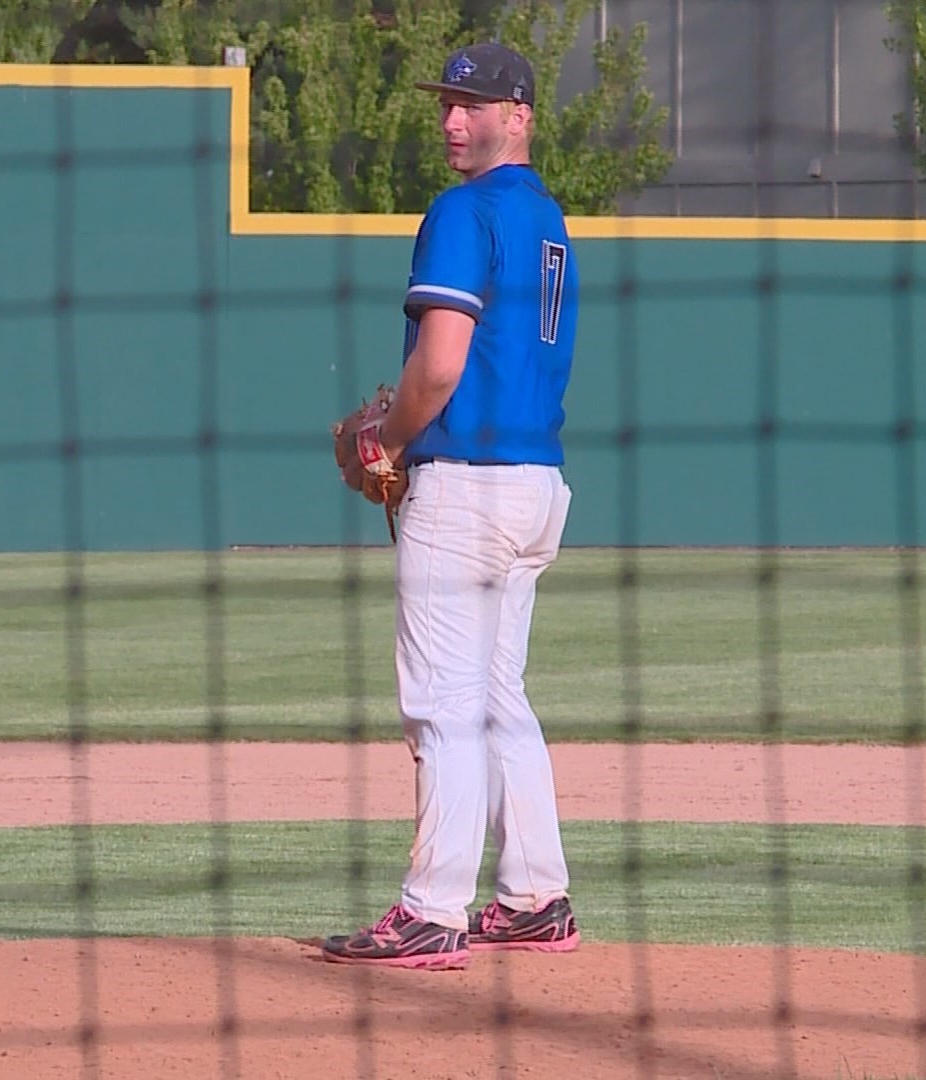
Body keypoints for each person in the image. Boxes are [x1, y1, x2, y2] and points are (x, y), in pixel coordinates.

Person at [322, 42, 582, 970]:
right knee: (499, 697)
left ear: (519, 114)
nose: (451, 120)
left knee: (442, 703)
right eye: (446, 102)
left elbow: (439, 362)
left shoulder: (462, 211)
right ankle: (534, 895)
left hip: (466, 489)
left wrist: (383, 441)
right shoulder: (547, 219)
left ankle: (430, 909)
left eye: (472, 104)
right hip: (535, 487)